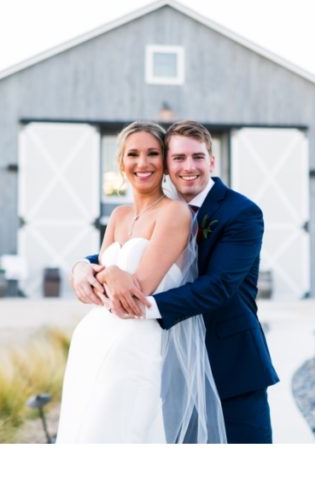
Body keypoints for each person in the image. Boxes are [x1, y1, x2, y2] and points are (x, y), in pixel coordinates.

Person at [71, 120, 279, 443]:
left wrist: (139, 304)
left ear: (211, 161)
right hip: (167, 366)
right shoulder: (155, 206)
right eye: (179, 158)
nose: (189, 167)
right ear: (168, 165)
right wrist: (83, 266)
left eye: (197, 157)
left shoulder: (241, 213)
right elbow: (129, 252)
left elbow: (220, 285)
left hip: (229, 363)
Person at [57, 121, 226, 443]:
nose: (143, 163)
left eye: (152, 153)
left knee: (120, 436)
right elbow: (97, 287)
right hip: (92, 343)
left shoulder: (175, 213)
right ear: (121, 163)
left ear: (164, 162)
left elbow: (139, 290)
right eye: (133, 154)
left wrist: (105, 275)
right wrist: (83, 267)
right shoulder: (119, 216)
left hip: (136, 349)